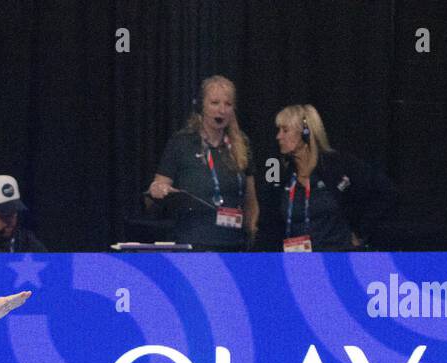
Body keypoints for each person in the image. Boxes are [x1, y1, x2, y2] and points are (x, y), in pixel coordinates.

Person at [147, 75, 259, 250]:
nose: (221, 110)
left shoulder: (241, 144)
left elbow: (251, 201)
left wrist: (251, 232)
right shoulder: (182, 142)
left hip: (233, 245)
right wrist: (158, 188)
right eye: (215, 103)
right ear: (201, 107)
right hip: (192, 244)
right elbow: (158, 187)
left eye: (227, 104)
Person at [267, 104, 393, 252]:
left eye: (285, 130)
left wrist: (361, 231)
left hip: (338, 259)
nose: (279, 136)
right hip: (297, 263)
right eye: (279, 130)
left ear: (306, 133)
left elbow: (386, 192)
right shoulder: (278, 169)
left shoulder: (339, 165)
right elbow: (269, 215)